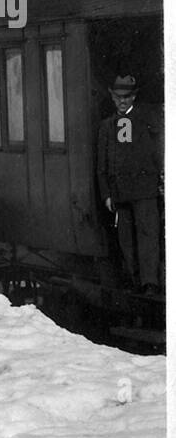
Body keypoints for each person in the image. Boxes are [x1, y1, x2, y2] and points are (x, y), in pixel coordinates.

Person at [96, 74, 163, 293]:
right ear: (112, 97)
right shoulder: (107, 126)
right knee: (126, 240)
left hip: (145, 189)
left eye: (127, 97)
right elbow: (102, 165)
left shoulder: (148, 119)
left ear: (134, 96)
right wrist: (106, 194)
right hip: (120, 193)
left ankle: (149, 283)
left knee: (147, 237)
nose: (122, 101)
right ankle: (136, 283)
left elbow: (159, 152)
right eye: (118, 97)